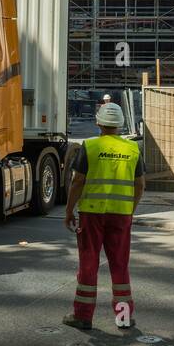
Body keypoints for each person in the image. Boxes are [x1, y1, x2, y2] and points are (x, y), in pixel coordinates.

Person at [63, 102, 145, 332]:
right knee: (120, 265)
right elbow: (140, 185)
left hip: (92, 213)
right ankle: (123, 317)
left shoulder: (90, 146)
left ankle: (83, 316)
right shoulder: (132, 149)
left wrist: (69, 211)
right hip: (121, 215)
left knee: (88, 263)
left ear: (98, 122)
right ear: (120, 124)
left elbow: (77, 181)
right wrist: (130, 209)